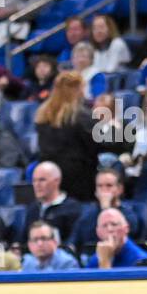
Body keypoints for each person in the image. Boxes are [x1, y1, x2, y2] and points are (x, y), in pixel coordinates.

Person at [36, 71, 102, 201]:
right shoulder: (81, 115)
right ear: (77, 90)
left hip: (53, 175)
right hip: (80, 179)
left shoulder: (43, 114)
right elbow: (98, 143)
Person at [22, 161, 83, 245]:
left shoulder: (72, 208)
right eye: (34, 180)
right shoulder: (32, 209)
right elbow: (23, 240)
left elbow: (73, 241)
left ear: (57, 181)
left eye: (42, 180)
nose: (37, 184)